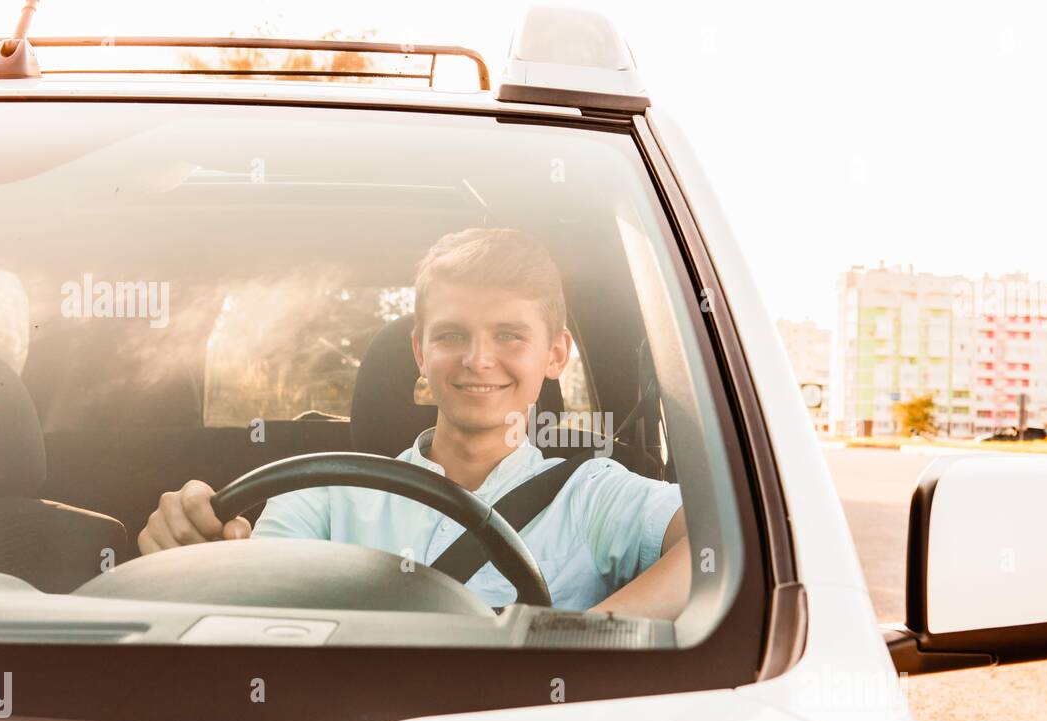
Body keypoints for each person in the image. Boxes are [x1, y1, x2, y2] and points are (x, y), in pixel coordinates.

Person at [138, 227, 690, 617]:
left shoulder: (592, 494)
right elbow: (257, 593)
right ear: (420, 353)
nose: (478, 359)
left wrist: (581, 638)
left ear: (555, 355)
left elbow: (717, 548)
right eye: (452, 336)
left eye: (509, 335)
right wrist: (197, 557)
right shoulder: (329, 492)